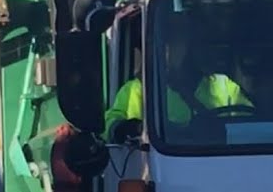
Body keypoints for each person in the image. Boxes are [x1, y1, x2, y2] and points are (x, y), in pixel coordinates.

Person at [103, 21, 252, 143]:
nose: (166, 50)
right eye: (162, 44)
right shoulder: (139, 90)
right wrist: (130, 128)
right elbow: (109, 125)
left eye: (174, 43)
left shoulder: (223, 85)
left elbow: (253, 122)